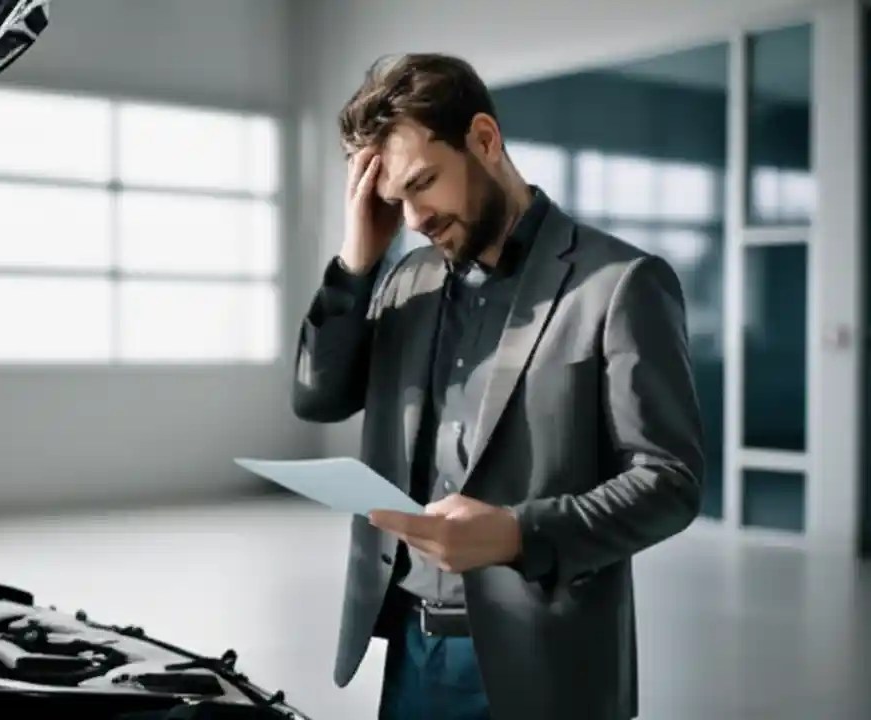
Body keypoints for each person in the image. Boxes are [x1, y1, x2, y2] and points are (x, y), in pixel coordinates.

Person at [290, 53, 705, 720]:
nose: (416, 217)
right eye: (397, 199)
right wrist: (356, 260)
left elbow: (670, 483)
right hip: (411, 652)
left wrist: (516, 532)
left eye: (424, 182)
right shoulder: (406, 280)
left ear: (484, 139)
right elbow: (318, 396)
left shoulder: (620, 283)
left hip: (545, 662)